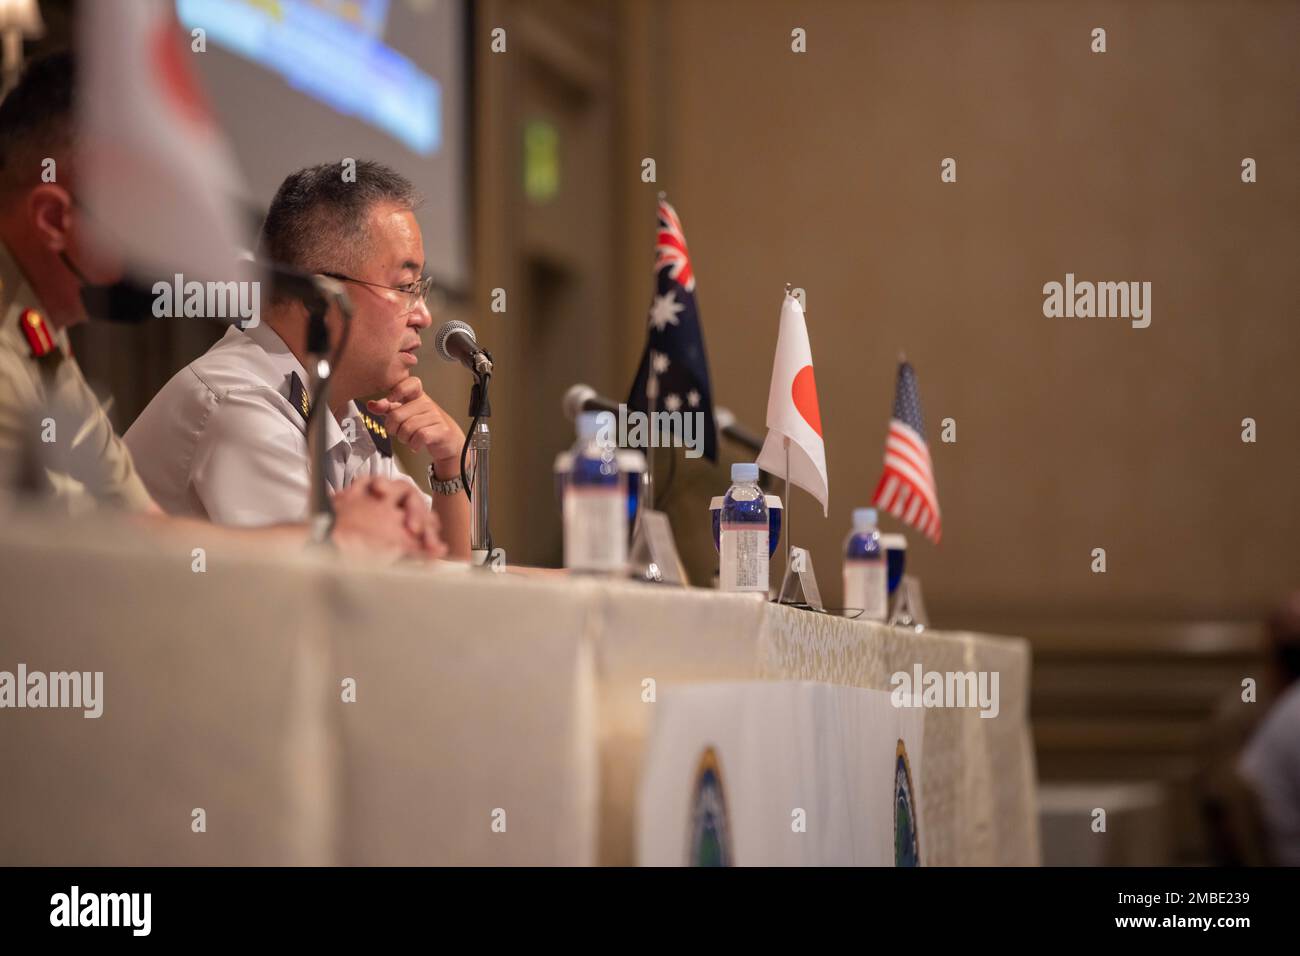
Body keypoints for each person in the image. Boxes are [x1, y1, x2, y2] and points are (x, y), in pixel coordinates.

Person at [0, 51, 442, 560]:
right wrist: (336, 536)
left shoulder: (42, 342)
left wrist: (351, 528)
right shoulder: (16, 355)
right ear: (56, 220)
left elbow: (142, 531)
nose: (170, 246)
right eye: (146, 216)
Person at [124, 161, 471, 559]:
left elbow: (447, 583)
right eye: (406, 287)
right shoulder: (243, 403)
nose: (424, 316)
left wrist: (450, 465)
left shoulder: (348, 416)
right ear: (321, 294)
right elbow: (329, 591)